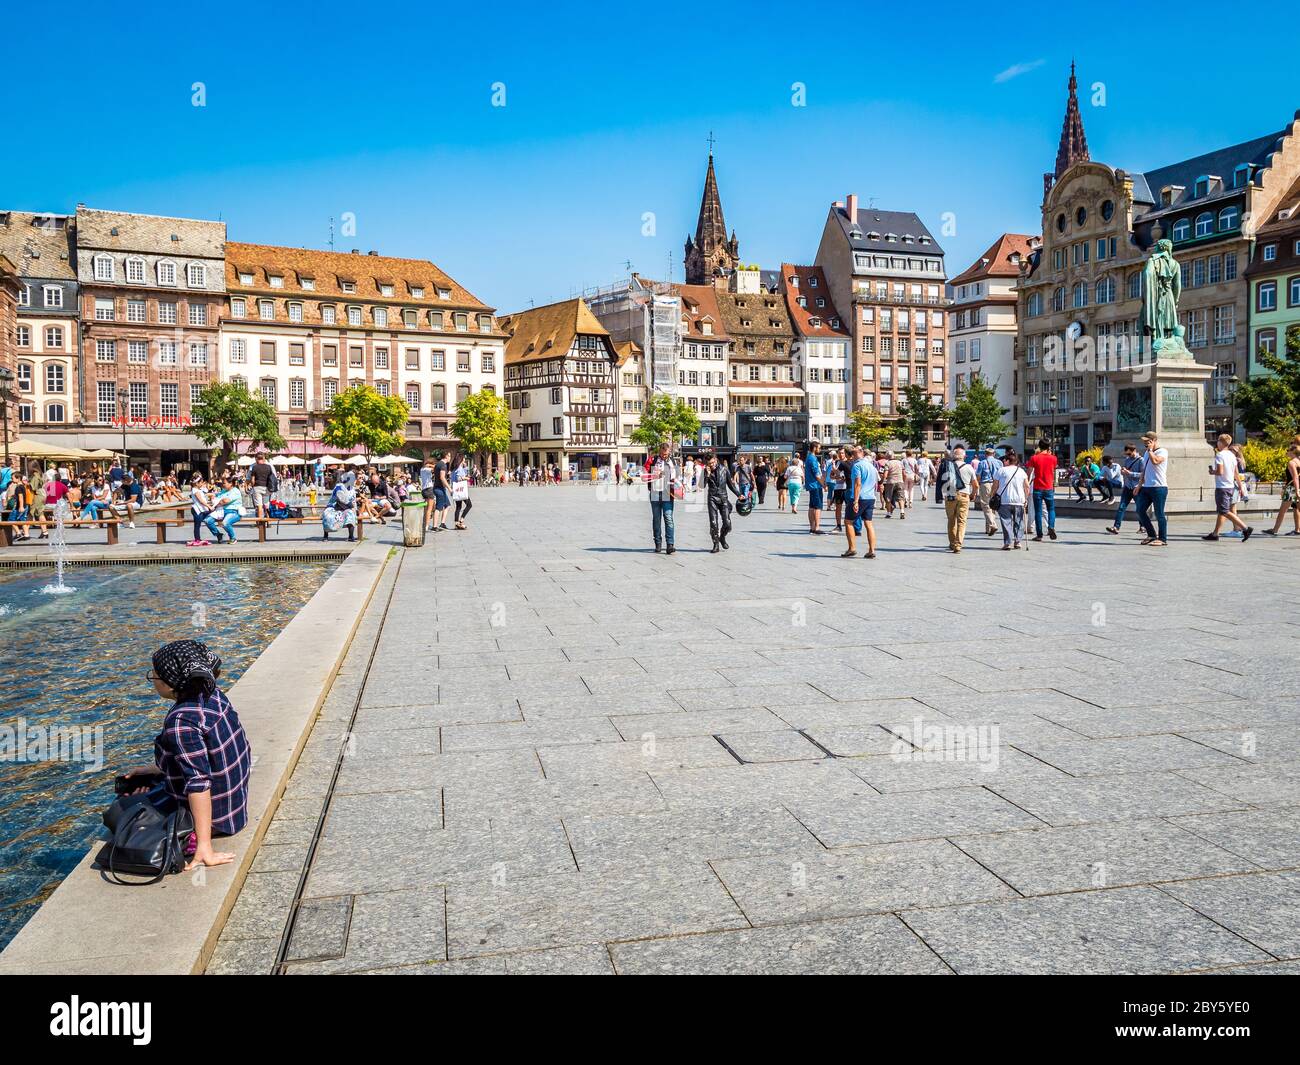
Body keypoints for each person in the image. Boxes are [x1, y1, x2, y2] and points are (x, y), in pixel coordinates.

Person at [119, 640, 251, 870]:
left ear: (171, 684)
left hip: (215, 819)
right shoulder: (213, 695)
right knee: (140, 786)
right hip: (233, 806)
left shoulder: (182, 722)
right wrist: (155, 769)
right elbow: (208, 756)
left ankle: (193, 840)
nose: (153, 681)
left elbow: (198, 784)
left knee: (123, 808)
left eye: (155, 676)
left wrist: (204, 847)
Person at [1202, 434, 1253, 542]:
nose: (1217, 443)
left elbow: (1220, 472)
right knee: (1222, 511)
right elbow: (1236, 473)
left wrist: (1212, 472)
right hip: (1230, 486)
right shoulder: (1232, 455)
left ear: (1221, 443)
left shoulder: (1220, 455)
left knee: (1224, 511)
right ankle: (1215, 534)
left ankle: (1245, 528)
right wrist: (1240, 487)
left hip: (1222, 487)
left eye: (1218, 441)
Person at [939, 446, 978, 553]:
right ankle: (958, 544)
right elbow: (976, 485)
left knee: (951, 520)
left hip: (950, 494)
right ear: (964, 456)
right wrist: (973, 495)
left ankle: (952, 543)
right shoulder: (969, 467)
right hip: (964, 494)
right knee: (962, 521)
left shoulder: (948, 466)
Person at [843, 445, 879, 559]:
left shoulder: (856, 466)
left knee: (848, 521)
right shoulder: (871, 466)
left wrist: (856, 501)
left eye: (853, 454)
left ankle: (852, 548)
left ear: (856, 454)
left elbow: (858, 484)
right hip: (870, 497)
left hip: (860, 497)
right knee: (868, 523)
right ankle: (871, 550)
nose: (852, 456)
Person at [1134, 431, 1169, 547]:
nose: (1145, 444)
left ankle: (1163, 538)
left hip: (1159, 487)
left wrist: (1150, 450)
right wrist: (1139, 486)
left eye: (1147, 442)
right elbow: (1144, 470)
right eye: (1144, 442)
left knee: (1159, 514)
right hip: (1147, 487)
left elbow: (1156, 461)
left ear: (1153, 441)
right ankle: (1151, 535)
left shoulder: (1162, 451)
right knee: (1140, 510)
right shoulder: (1146, 453)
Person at [992, 450, 1031, 550]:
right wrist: (1026, 498)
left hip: (1004, 500)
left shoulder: (1001, 470)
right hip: (1019, 500)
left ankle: (1008, 543)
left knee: (1006, 522)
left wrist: (993, 495)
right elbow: (1027, 486)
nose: (1004, 462)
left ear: (1008, 461)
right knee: (1019, 521)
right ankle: (1017, 541)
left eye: (1005, 460)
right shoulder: (1021, 471)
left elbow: (995, 485)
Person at [703, 449, 739, 553]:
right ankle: (715, 544)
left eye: (713, 462)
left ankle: (722, 537)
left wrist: (739, 495)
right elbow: (702, 485)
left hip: (723, 498)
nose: (712, 465)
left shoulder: (724, 469)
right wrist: (707, 475)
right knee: (713, 523)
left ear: (716, 459)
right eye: (709, 463)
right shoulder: (706, 471)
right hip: (712, 498)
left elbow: (731, 485)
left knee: (727, 523)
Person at [646, 442, 679, 554]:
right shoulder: (653, 460)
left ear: (669, 451)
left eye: (666, 454)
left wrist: (676, 481)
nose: (664, 456)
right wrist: (655, 475)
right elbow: (644, 475)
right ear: (660, 451)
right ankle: (658, 543)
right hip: (655, 492)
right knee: (656, 519)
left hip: (668, 493)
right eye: (663, 454)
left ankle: (670, 544)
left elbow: (677, 476)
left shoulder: (673, 461)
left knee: (668, 517)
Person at [1024, 439, 1059, 542]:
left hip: (1037, 488)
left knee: (1038, 512)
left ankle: (1039, 535)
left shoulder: (1034, 458)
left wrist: (1026, 484)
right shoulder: (1053, 458)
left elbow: (1029, 473)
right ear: (1049, 447)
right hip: (1049, 487)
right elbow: (1054, 469)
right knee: (1051, 509)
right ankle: (1051, 526)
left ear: (1039, 446)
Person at [1106, 444, 1144, 535]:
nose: (1128, 456)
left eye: (1129, 454)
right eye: (1127, 454)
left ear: (1134, 450)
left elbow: (1143, 475)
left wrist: (1130, 473)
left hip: (1136, 488)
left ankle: (1143, 527)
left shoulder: (1141, 460)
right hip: (1127, 487)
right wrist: (1123, 472)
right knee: (1121, 507)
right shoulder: (1127, 460)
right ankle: (1116, 527)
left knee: (1140, 508)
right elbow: (1126, 472)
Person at [1263, 445, 1300, 536]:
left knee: (1282, 510)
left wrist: (1297, 490)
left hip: (1292, 489)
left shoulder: (1292, 463)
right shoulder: (1299, 461)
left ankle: (1274, 530)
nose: (1286, 452)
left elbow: (1295, 477)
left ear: (1292, 452)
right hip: (1297, 488)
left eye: (1288, 450)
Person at [204, 473, 244, 543]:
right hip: (221, 511)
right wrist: (209, 495)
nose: (223, 484)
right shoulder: (224, 491)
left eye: (224, 483)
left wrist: (216, 504)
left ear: (231, 483)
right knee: (207, 521)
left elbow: (225, 501)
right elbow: (217, 495)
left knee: (225, 523)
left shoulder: (235, 491)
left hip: (233, 512)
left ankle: (233, 538)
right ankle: (218, 534)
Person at [323, 470, 358, 542]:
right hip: (334, 507)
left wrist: (355, 509)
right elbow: (342, 498)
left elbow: (353, 501)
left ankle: (351, 536)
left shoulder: (352, 489)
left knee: (351, 514)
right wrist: (351, 506)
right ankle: (325, 535)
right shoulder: (339, 486)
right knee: (327, 515)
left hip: (346, 508)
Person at [974, 447, 1001, 536]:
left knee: (986, 505)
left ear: (985, 454)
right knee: (993, 504)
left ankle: (992, 525)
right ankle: (988, 529)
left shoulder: (982, 463)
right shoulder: (999, 463)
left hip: (985, 484)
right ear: (994, 454)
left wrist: (976, 486)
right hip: (997, 484)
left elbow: (978, 476)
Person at [804, 441, 825, 533]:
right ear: (814, 448)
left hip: (810, 485)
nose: (819, 449)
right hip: (815, 485)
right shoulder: (812, 458)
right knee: (818, 506)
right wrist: (823, 484)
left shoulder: (808, 458)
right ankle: (816, 527)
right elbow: (816, 474)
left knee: (812, 506)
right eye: (819, 448)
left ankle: (812, 527)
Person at [188, 473, 213, 546]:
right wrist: (209, 506)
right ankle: (197, 539)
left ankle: (198, 538)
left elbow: (205, 494)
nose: (202, 483)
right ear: (196, 483)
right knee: (197, 525)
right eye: (201, 482)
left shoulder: (198, 489)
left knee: (207, 519)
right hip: (197, 510)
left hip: (201, 510)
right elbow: (201, 501)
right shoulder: (195, 490)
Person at [248, 452, 275, 518]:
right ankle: (267, 521)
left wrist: (252, 485)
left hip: (257, 487)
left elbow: (252, 480)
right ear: (263, 458)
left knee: (259, 506)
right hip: (267, 488)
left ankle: (260, 523)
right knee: (266, 505)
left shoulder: (254, 467)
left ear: (256, 459)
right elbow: (273, 477)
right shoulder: (269, 466)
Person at [431, 451, 452, 531]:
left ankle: (442, 523)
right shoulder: (443, 465)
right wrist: (449, 488)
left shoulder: (438, 464)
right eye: (449, 456)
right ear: (446, 456)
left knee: (447, 505)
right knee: (439, 508)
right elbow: (442, 477)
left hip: (439, 488)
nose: (450, 458)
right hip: (439, 489)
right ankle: (434, 526)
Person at [451, 456, 473, 530]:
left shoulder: (454, 469)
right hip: (461, 490)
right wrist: (466, 478)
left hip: (456, 490)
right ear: (460, 460)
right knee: (469, 505)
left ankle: (456, 523)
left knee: (458, 507)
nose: (464, 461)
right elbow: (458, 478)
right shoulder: (460, 469)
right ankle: (461, 520)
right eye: (463, 460)